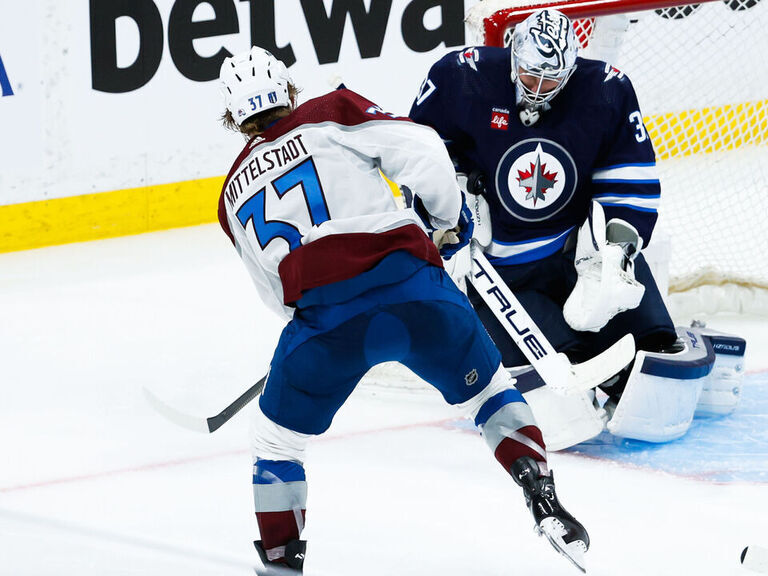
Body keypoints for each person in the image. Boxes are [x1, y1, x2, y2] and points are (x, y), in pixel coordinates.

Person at [216, 47, 589, 574]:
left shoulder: (230, 194)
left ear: (234, 117)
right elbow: (424, 149)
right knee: (489, 391)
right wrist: (446, 219)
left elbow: (276, 294)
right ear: (289, 90)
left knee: (276, 441)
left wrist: (318, 328)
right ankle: (542, 497)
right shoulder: (331, 111)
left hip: (325, 324)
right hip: (414, 290)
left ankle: (281, 563)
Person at [408, 8, 722, 447]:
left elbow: (630, 182)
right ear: (513, 56)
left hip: (572, 256)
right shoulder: (461, 77)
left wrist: (617, 256)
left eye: (551, 80)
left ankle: (631, 355)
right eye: (531, 76)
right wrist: (446, 210)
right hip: (497, 273)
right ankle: (573, 357)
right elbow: (417, 156)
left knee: (653, 348)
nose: (538, 90)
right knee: (559, 357)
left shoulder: (606, 89)